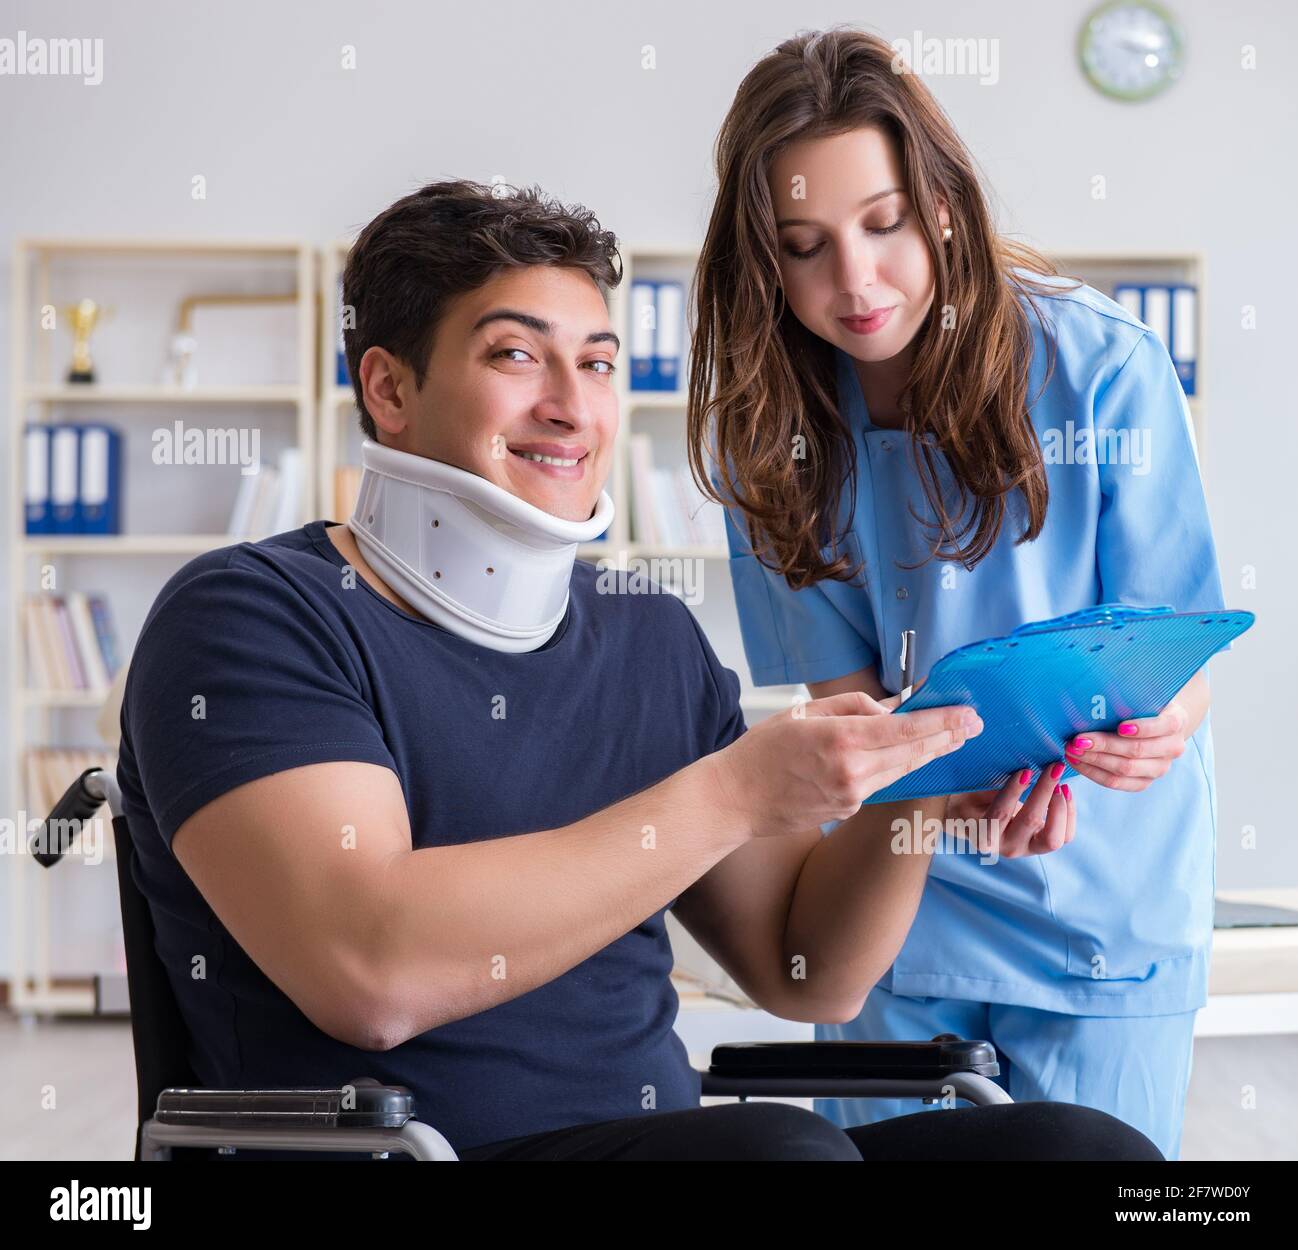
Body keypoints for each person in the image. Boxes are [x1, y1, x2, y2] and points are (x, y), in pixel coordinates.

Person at [117, 178, 1158, 1161]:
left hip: (658, 1147)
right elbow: (370, 969)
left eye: (601, 362)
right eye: (517, 357)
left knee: (1080, 1150)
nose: (573, 406)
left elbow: (801, 968)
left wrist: (913, 799)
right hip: (400, 1150)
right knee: (779, 1154)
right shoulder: (250, 617)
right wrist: (732, 790)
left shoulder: (645, 635)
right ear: (388, 387)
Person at [689, 27, 1223, 1161]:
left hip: (1098, 911)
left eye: (882, 224)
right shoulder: (770, 436)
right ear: (763, 261)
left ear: (938, 202)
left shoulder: (1102, 366)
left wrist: (1153, 728)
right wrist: (927, 803)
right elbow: (848, 718)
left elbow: (1178, 656)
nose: (855, 282)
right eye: (805, 245)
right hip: (897, 910)